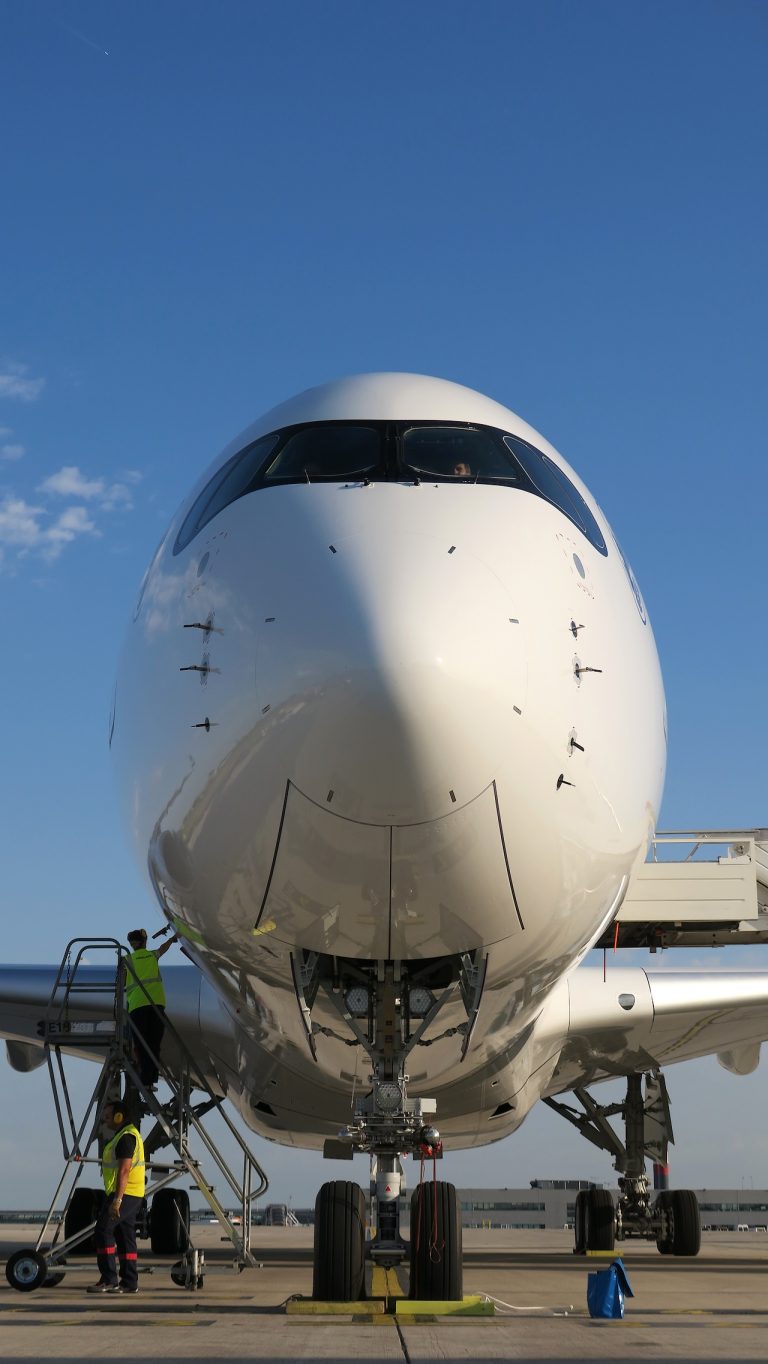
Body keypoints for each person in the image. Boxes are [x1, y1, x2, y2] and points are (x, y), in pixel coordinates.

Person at [87, 1100, 145, 1294]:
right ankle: (129, 1282)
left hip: (125, 1193)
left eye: (107, 1116)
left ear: (119, 1117)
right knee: (124, 1235)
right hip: (133, 1193)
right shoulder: (124, 1135)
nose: (104, 1120)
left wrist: (117, 1200)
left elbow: (124, 1171)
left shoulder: (126, 1138)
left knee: (103, 1230)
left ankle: (109, 1279)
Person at [124, 928, 177, 1087]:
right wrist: (173, 938)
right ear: (144, 942)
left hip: (137, 1006)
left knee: (141, 1044)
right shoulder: (152, 955)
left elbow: (120, 980)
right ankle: (150, 1079)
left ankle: (144, 1079)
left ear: (132, 944)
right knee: (154, 1043)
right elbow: (163, 948)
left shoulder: (126, 959)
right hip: (156, 1005)